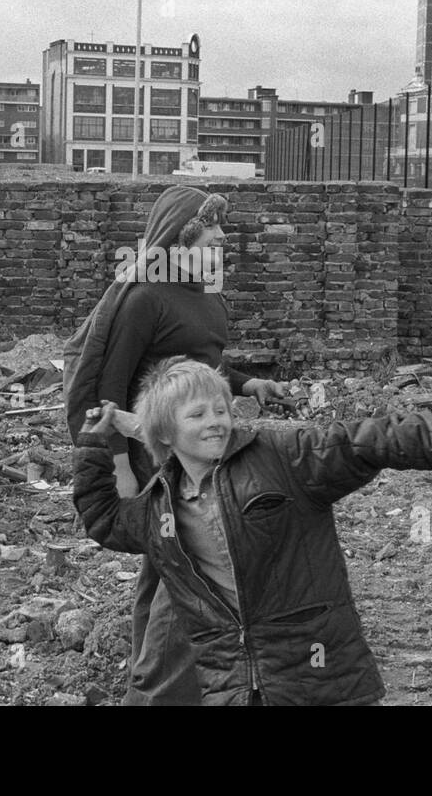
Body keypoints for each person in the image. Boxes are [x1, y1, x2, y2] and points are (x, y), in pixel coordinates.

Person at [72, 356, 432, 706]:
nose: (216, 421)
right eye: (198, 415)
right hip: (236, 686)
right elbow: (104, 519)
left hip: (317, 673)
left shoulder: (279, 455)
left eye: (221, 409)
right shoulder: (159, 508)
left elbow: (369, 441)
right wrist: (95, 442)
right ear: (165, 433)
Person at [63, 185, 287, 705]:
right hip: (153, 451)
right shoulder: (145, 298)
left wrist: (250, 385)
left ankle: (154, 675)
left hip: (196, 448)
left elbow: (202, 369)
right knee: (183, 561)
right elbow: (109, 389)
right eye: (211, 228)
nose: (222, 236)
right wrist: (120, 466)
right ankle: (160, 690)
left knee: (163, 563)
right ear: (183, 237)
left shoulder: (207, 296)